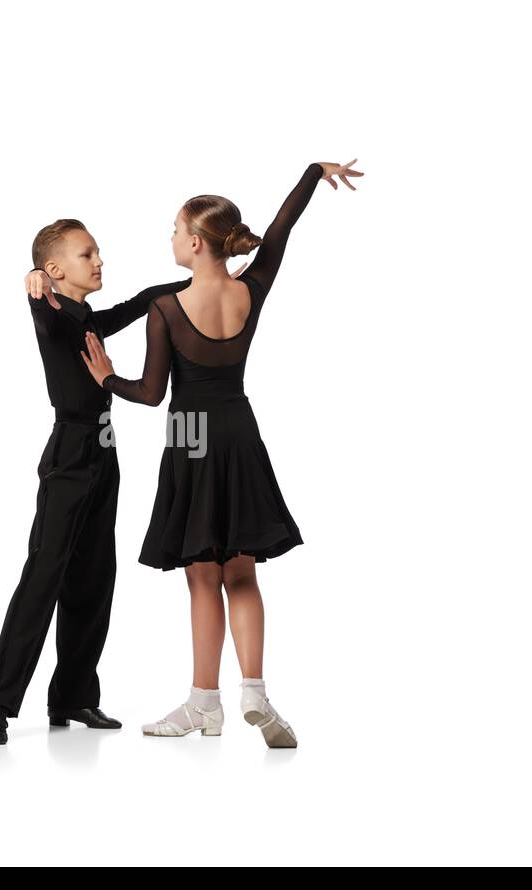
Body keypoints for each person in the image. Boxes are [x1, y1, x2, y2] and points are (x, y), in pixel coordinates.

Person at [80, 159, 362, 748]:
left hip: (191, 437)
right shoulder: (249, 290)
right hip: (241, 433)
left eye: (176, 230)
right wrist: (312, 173)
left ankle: (202, 702)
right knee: (243, 573)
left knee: (201, 575)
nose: (172, 238)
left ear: (197, 241)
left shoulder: (167, 309)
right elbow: (281, 232)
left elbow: (154, 394)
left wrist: (108, 378)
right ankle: (252, 692)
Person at [0, 218, 192, 745]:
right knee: (42, 578)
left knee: (94, 578)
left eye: (98, 252)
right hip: (69, 458)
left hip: (104, 454)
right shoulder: (53, 313)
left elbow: (138, 302)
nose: (99, 261)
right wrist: (33, 278)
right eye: (86, 254)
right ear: (54, 270)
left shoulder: (88, 316)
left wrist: (203, 282)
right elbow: (42, 311)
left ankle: (74, 698)